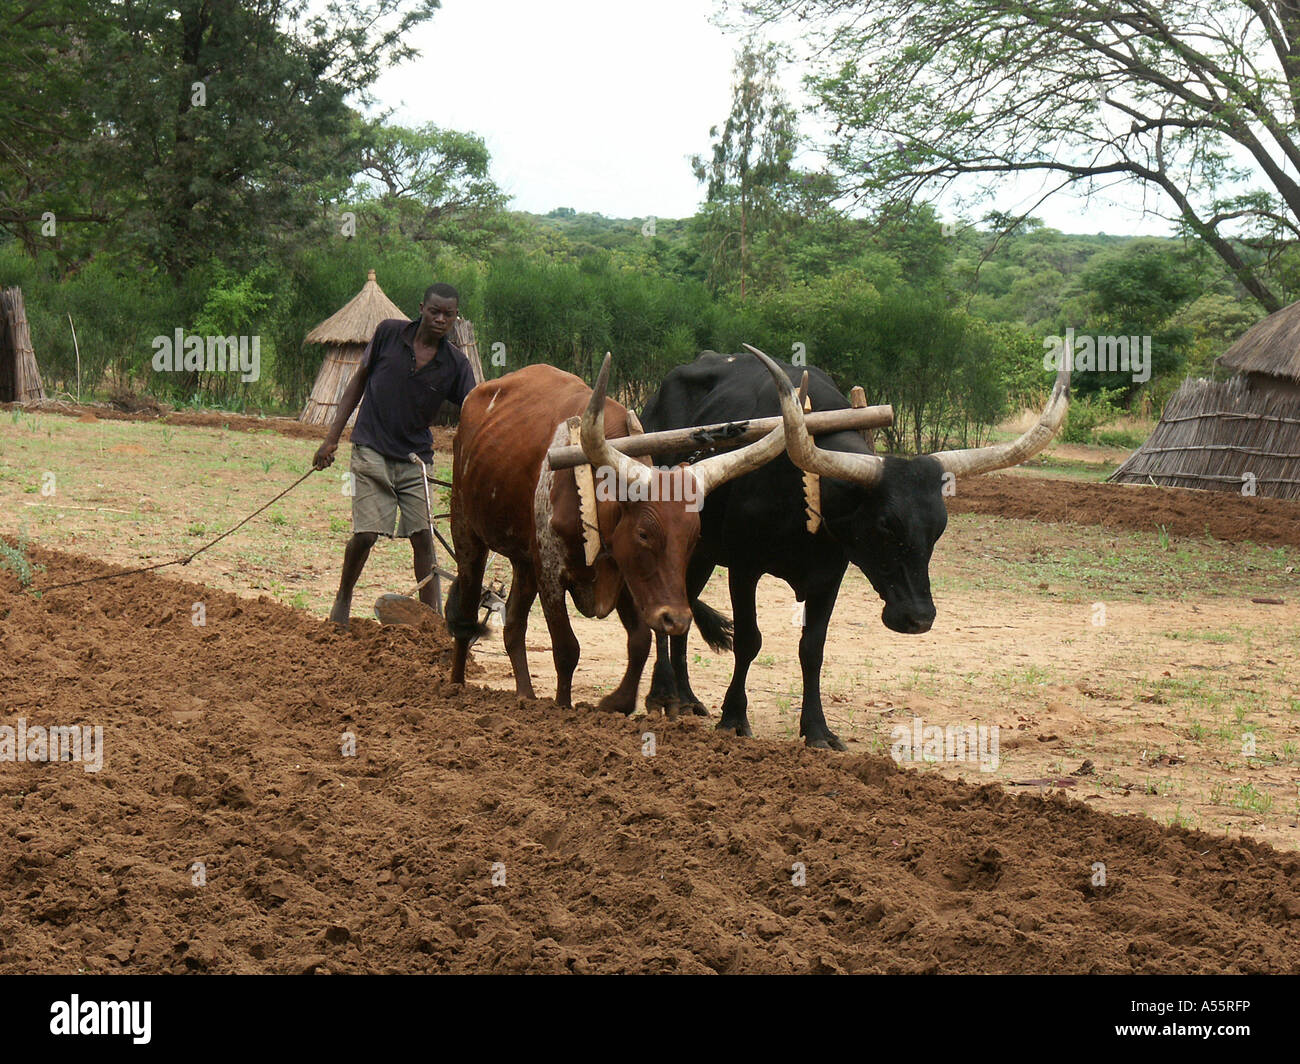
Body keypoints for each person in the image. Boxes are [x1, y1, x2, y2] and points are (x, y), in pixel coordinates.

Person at [312, 282, 477, 629]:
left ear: (455, 318)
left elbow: (475, 412)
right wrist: (331, 439)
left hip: (416, 459)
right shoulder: (389, 334)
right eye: (435, 311)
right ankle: (343, 597)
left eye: (448, 314)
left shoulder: (455, 365)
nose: (440, 319)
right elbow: (358, 382)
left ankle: (432, 622)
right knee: (367, 534)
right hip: (371, 447)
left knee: (423, 537)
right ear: (421, 308)